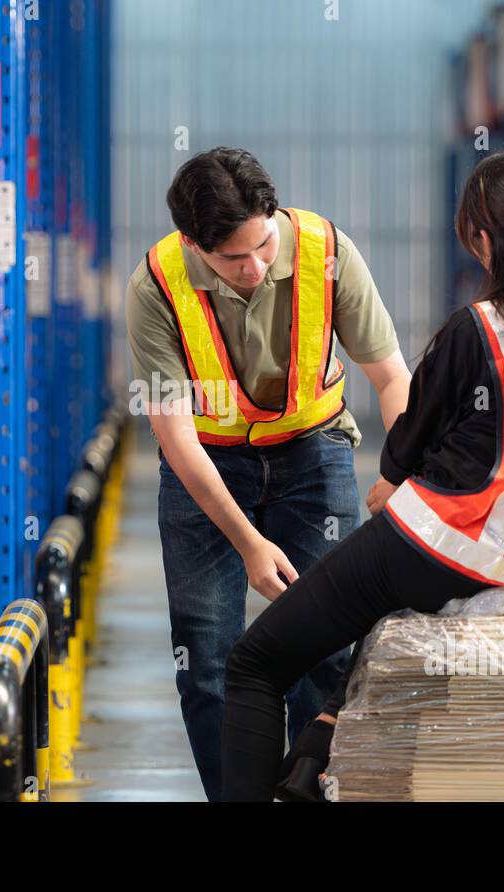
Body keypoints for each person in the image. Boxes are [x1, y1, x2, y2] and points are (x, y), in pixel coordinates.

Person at [219, 147, 504, 802]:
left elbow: (402, 449)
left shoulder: (479, 329)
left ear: (484, 238)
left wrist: (397, 486)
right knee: (376, 624)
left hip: (446, 543)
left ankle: (297, 766)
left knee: (257, 663)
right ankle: (312, 756)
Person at [125, 147, 411, 801]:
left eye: (263, 244)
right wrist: (248, 543)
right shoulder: (156, 287)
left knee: (327, 648)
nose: (255, 266)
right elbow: (173, 434)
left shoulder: (325, 252)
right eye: (234, 258)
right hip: (206, 463)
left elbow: (392, 376)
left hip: (314, 452)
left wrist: (402, 470)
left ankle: (313, 793)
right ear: (194, 244)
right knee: (206, 657)